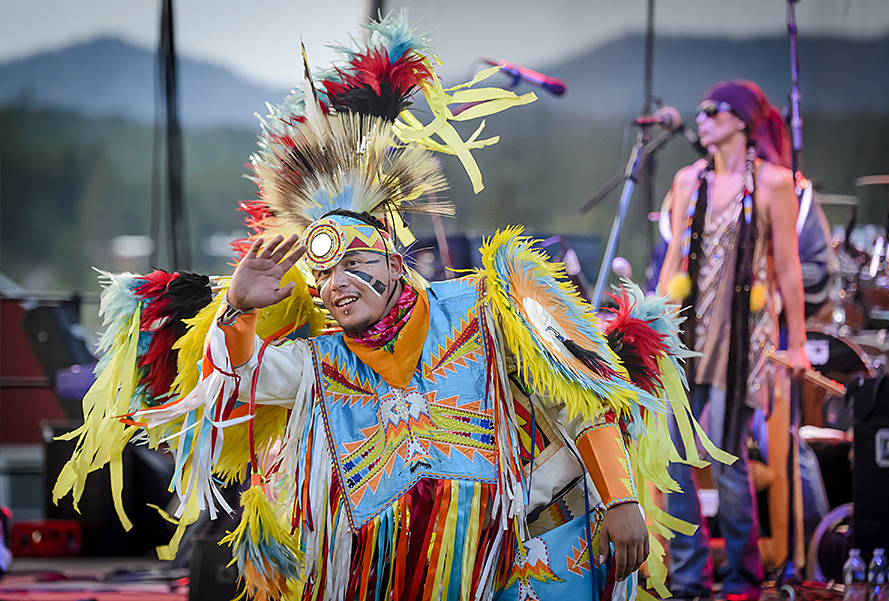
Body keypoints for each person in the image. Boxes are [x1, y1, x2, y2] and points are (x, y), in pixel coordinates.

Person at [53, 15, 726, 601]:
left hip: (506, 565)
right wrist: (236, 310)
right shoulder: (317, 361)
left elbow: (577, 397)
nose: (335, 283)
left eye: (352, 262)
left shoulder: (485, 308)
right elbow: (235, 389)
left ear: (395, 259)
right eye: (320, 273)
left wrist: (619, 496)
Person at [658, 80, 812, 600]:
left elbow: (788, 268)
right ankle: (687, 579)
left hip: (743, 340)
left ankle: (743, 577)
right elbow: (675, 258)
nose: (700, 119)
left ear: (742, 120)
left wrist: (798, 341)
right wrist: (650, 326)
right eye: (698, 111)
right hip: (686, 332)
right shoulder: (686, 181)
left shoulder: (773, 183)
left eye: (712, 111)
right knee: (675, 457)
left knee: (726, 456)